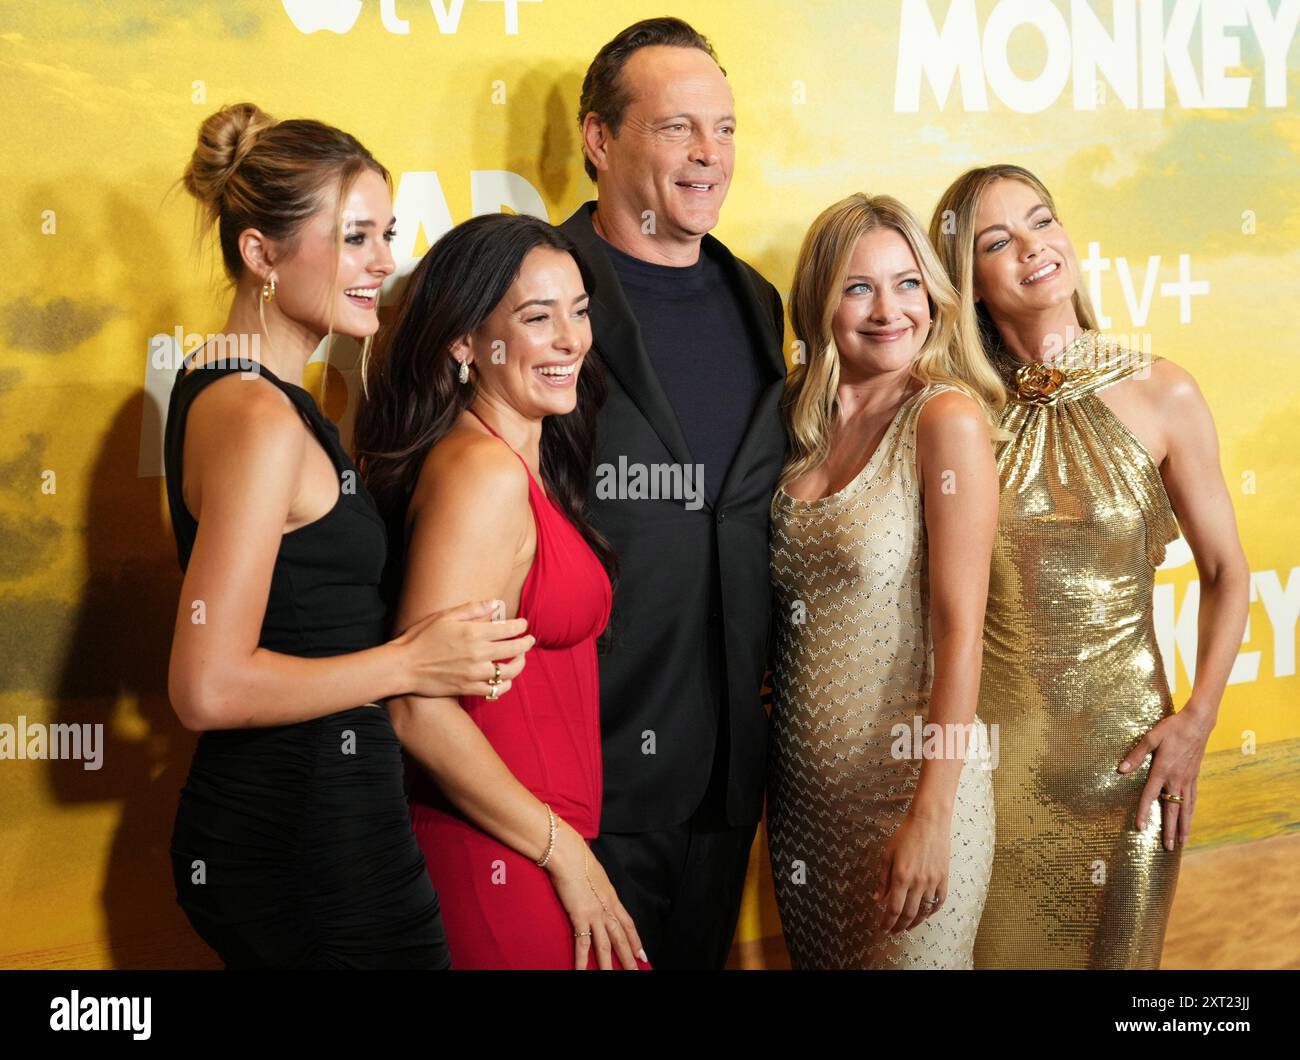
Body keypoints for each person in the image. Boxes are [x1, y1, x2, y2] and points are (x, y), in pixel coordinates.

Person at [165, 104, 537, 969]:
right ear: (260, 253)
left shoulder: (231, 388)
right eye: (357, 237)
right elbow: (206, 685)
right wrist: (412, 663)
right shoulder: (256, 414)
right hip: (306, 835)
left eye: (387, 235)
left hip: (316, 817)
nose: (383, 263)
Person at [930, 164, 1250, 969]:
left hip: (1128, 767)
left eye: (1043, 221)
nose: (1034, 248)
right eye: (999, 241)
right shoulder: (957, 414)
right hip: (995, 778)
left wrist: (1198, 723)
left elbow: (1228, 573)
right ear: (969, 283)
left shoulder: (1163, 392)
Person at [355, 213, 650, 970]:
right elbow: (418, 709)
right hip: (502, 863)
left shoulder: (521, 463)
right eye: (535, 317)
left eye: (579, 311)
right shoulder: (481, 474)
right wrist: (564, 855)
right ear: (464, 343)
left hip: (534, 850)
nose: (570, 340)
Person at [557, 16, 788, 970]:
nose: (709, 155)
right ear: (599, 140)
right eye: (677, 128)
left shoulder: (761, 302)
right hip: (582, 790)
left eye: (725, 128)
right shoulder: (537, 290)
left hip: (728, 787)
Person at [767, 193, 1001, 968]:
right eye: (858, 287)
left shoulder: (944, 419)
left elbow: (960, 630)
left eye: (908, 284)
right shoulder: (796, 425)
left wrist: (932, 814)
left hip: (911, 793)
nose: (889, 310)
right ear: (819, 302)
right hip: (803, 803)